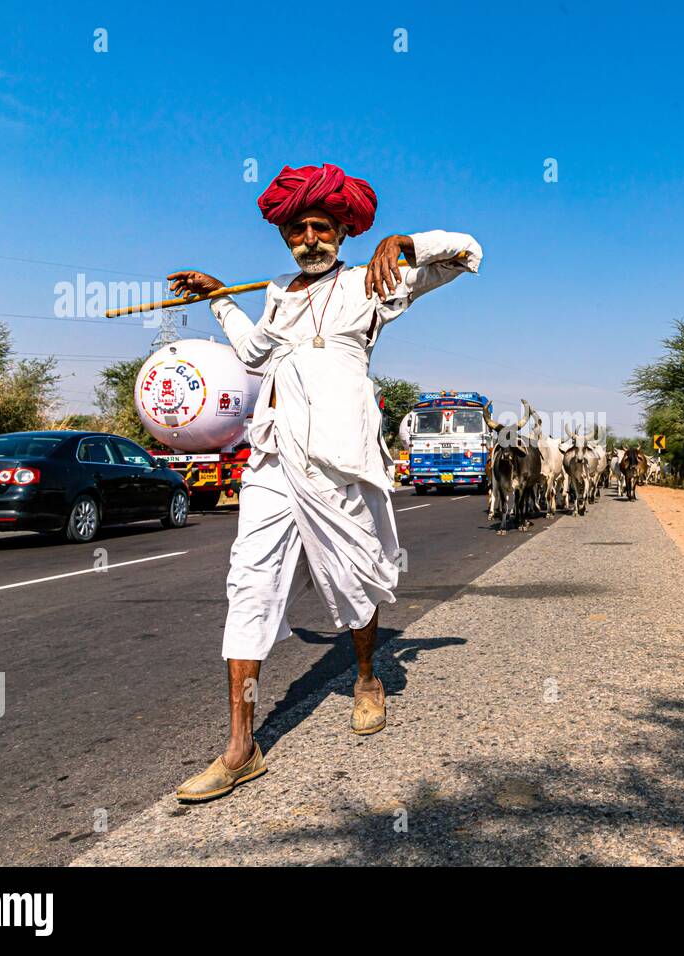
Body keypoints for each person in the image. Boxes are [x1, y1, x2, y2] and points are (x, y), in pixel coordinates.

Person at [167, 163, 482, 802]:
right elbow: (256, 354)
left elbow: (470, 253)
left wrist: (410, 244)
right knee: (249, 584)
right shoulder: (279, 291)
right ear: (286, 237)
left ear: (342, 230)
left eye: (321, 226)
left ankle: (367, 676)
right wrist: (220, 298)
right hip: (273, 457)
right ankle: (240, 746)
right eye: (297, 229)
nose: (309, 238)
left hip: (338, 458)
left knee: (352, 573)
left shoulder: (376, 282)